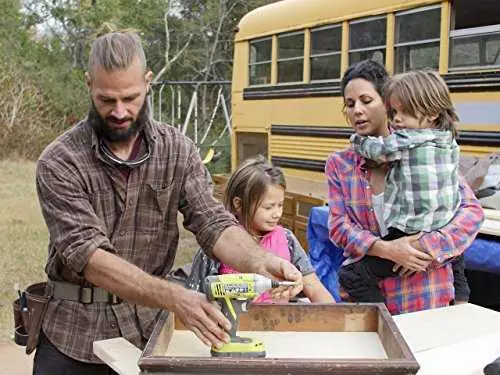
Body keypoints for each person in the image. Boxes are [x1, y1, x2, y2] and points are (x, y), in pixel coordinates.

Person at [33, 29, 303, 375]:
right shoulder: (59, 161)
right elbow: (90, 258)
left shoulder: (177, 150)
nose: (119, 111)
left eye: (130, 98)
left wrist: (261, 260)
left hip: (148, 334)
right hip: (74, 335)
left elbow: (212, 222)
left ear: (148, 82)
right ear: (89, 85)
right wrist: (174, 297)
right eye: (106, 99)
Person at [325, 59, 484, 314]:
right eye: (350, 104)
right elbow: (338, 227)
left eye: (366, 101)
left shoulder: (424, 153)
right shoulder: (340, 164)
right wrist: (387, 250)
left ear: (387, 102)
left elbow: (471, 214)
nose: (356, 110)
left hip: (427, 295)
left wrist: (425, 247)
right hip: (372, 298)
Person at [188, 156, 334, 303]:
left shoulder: (287, 240)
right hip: (230, 324)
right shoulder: (217, 244)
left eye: (280, 205)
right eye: (268, 207)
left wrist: (336, 318)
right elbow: (194, 298)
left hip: (278, 323)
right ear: (239, 204)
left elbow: (315, 288)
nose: (277, 213)